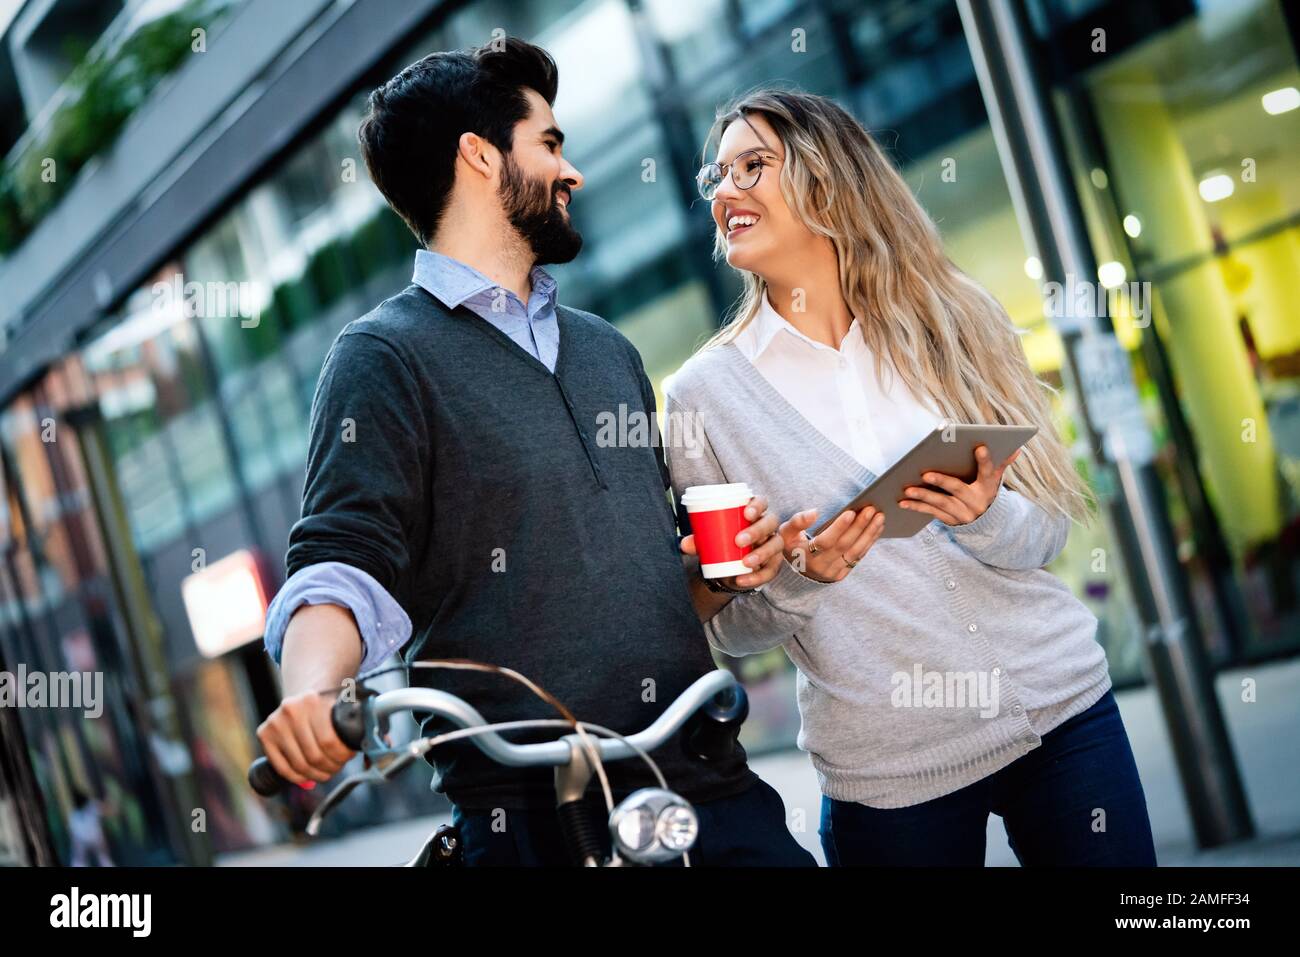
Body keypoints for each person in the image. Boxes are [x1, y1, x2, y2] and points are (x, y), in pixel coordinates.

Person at [257, 39, 815, 867]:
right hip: (532, 820)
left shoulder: (608, 351)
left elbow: (654, 583)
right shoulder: (383, 357)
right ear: (480, 157)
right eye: (549, 144)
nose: (572, 171)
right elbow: (342, 563)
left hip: (706, 782)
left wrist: (724, 570)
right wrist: (311, 693)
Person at [663, 88, 1157, 866]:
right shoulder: (704, 398)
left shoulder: (958, 318)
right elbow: (728, 623)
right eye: (716, 177)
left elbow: (1049, 529)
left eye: (752, 166)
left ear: (829, 178)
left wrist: (984, 515)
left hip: (1060, 712)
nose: (726, 193)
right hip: (887, 769)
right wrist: (800, 578)